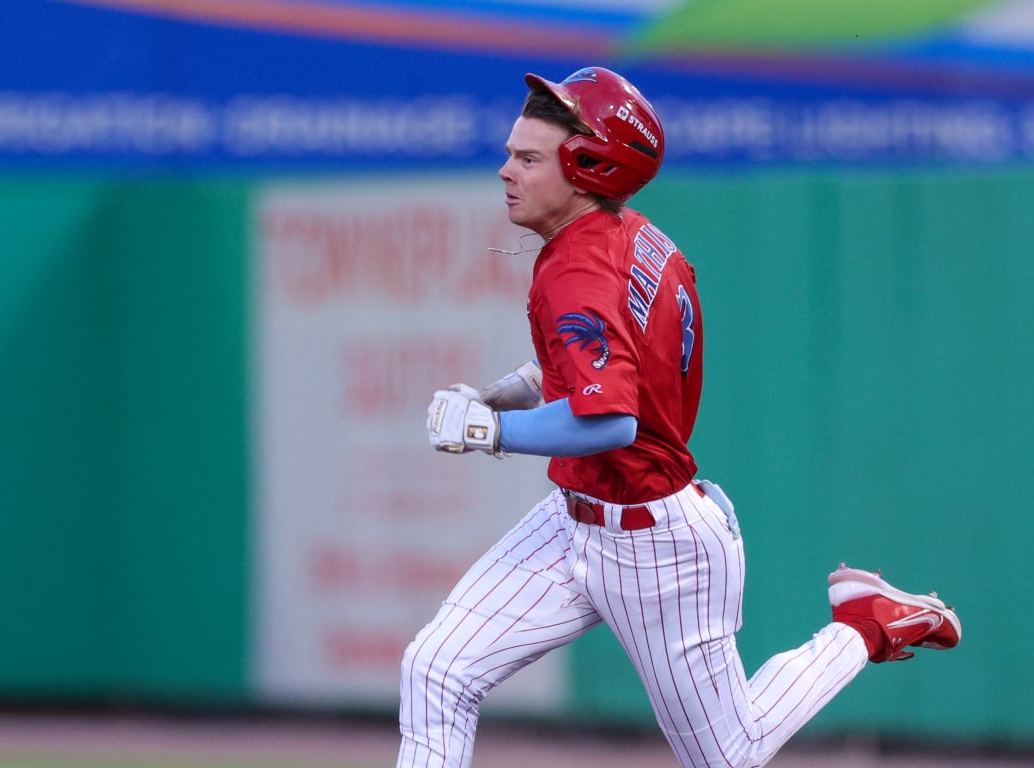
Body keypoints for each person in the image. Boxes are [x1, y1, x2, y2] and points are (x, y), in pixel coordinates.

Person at [407, 66, 961, 768]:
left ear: (585, 168)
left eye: (528, 158)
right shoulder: (631, 235)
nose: (505, 170)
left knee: (729, 755)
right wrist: (512, 390)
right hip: (576, 516)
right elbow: (619, 358)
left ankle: (867, 624)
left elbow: (609, 421)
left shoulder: (578, 268)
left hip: (654, 543)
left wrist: (490, 431)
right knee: (437, 669)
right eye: (511, 153)